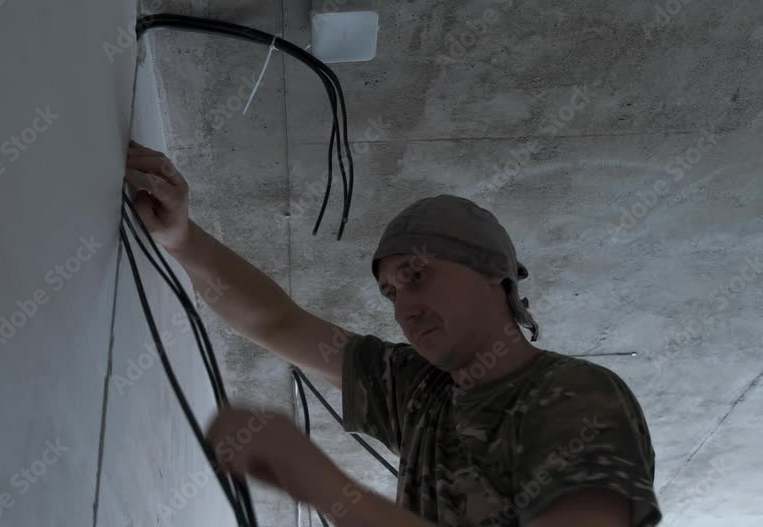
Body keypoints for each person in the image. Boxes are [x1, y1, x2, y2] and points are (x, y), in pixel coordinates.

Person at [124, 141, 663, 527]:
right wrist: (181, 237)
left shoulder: (576, 394)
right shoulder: (419, 389)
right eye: (390, 294)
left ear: (492, 276)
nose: (404, 309)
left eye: (418, 277)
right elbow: (277, 322)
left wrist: (319, 482)